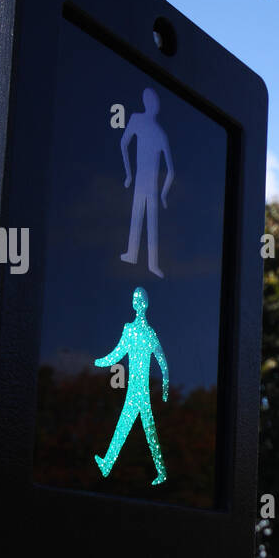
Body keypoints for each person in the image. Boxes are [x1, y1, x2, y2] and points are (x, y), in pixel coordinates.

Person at [94, 286, 169, 485]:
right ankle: (109, 464)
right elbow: (117, 353)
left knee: (140, 429)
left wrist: (165, 387)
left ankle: (110, 464)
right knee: (134, 428)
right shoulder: (130, 330)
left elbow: (162, 361)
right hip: (136, 390)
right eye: (135, 299)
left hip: (140, 391)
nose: (137, 302)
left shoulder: (145, 332)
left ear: (145, 304)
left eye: (139, 299)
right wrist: (100, 362)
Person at [119, 88, 174, 278]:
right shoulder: (139, 121)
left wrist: (163, 194)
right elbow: (123, 143)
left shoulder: (159, 133)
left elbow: (171, 170)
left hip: (149, 183)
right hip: (144, 181)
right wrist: (128, 174)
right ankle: (134, 255)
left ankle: (152, 264)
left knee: (149, 221)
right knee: (140, 218)